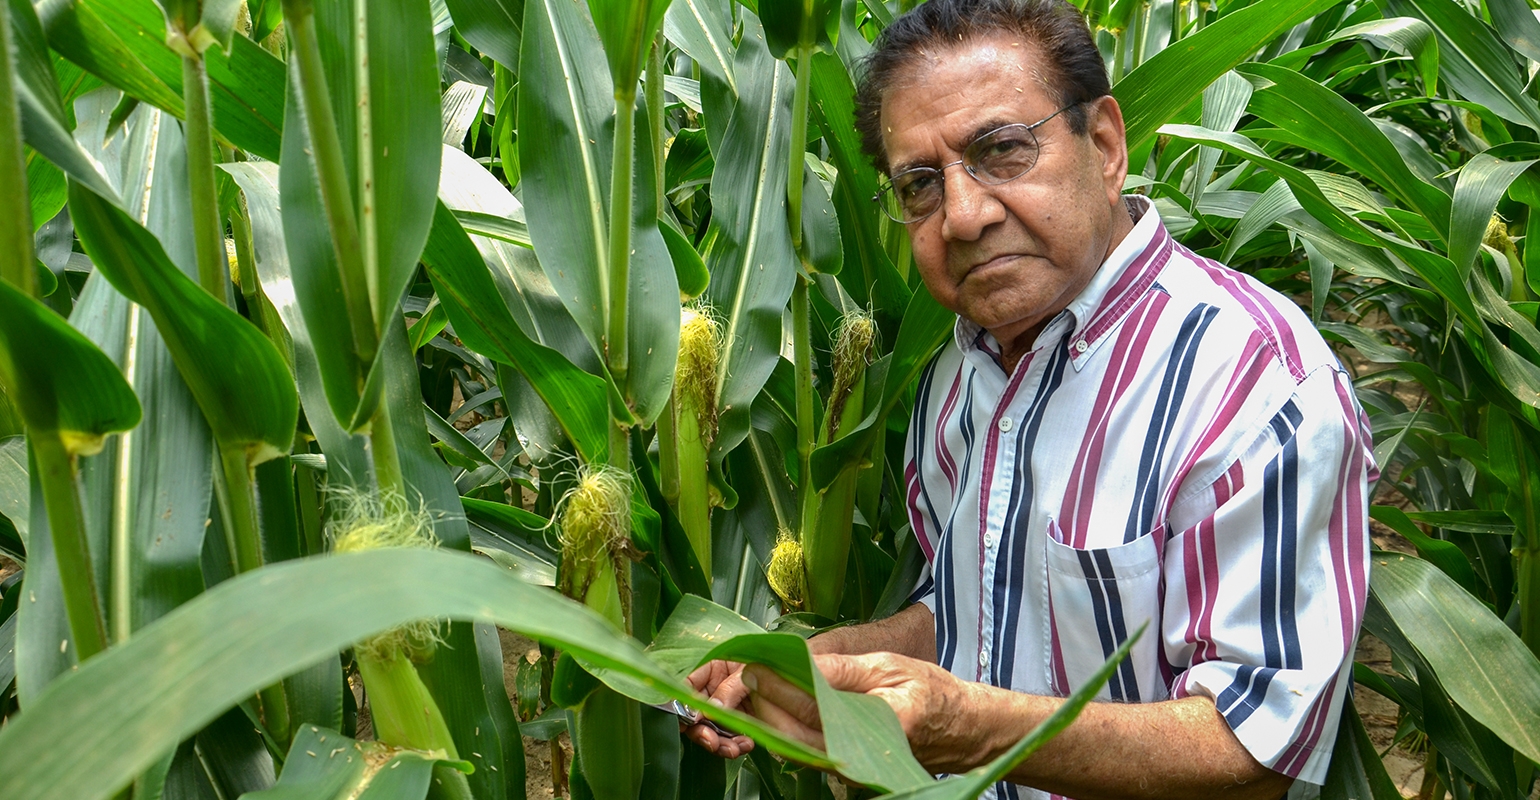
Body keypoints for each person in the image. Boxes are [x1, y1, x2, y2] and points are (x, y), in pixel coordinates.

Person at [687, 1, 1375, 798]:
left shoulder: (1255, 388)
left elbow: (1255, 752)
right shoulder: (958, 376)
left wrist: (966, 726)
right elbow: (983, 611)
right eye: (918, 185)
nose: (964, 215)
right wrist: (831, 660)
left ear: (1107, 145)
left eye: (1003, 150)